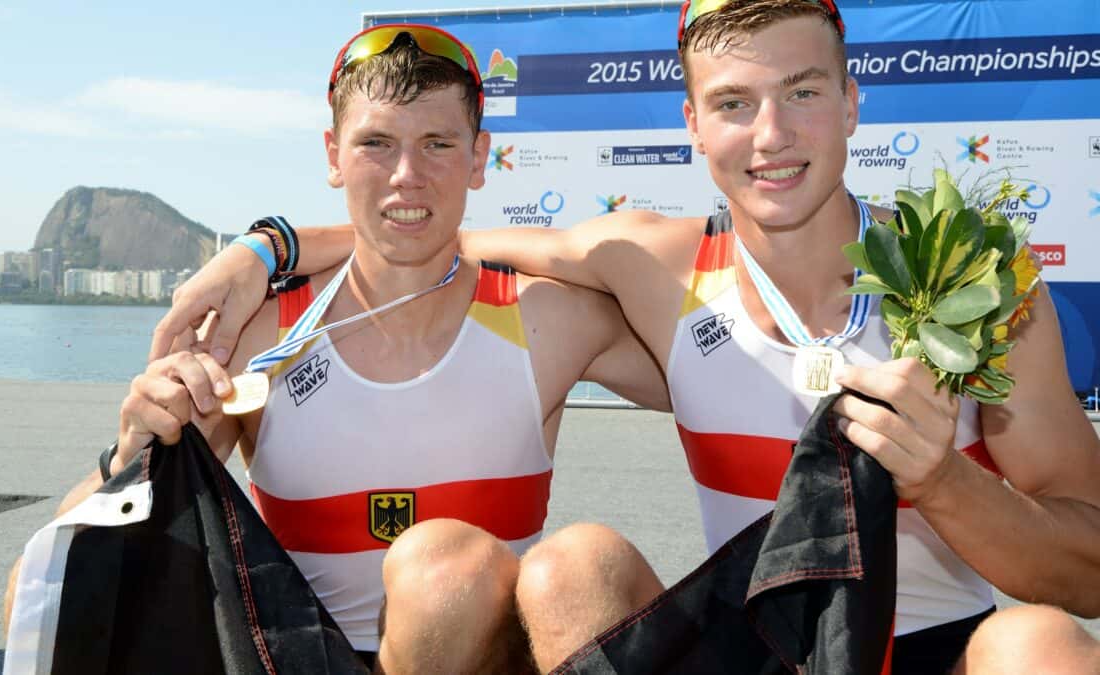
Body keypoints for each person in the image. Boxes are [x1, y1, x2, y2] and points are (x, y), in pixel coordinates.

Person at [151, 1, 1100, 673]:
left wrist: (946, 480)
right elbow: (420, 229)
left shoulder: (982, 276)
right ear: (693, 123)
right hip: (757, 648)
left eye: (803, 93)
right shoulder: (657, 268)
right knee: (577, 566)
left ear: (852, 102)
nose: (771, 134)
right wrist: (258, 250)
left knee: (1046, 647)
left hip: (950, 644)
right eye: (733, 103)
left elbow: (1090, 567)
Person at [4, 23, 671, 675]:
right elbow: (43, 595)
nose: (407, 175)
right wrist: (125, 455)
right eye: (376, 143)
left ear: (478, 158)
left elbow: (731, 376)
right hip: (305, 655)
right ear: (333, 154)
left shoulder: (546, 318)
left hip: (490, 653)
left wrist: (274, 242)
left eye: (437, 143)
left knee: (584, 566)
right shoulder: (258, 333)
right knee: (440, 572)